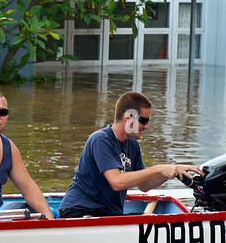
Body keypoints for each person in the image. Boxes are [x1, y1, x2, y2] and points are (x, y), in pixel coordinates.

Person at [57, 90, 203, 218]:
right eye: (144, 120)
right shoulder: (101, 139)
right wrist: (159, 168)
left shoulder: (132, 144)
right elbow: (117, 182)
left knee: (150, 219)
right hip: (79, 211)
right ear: (128, 118)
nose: (147, 126)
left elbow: (144, 186)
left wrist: (172, 172)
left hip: (107, 214)